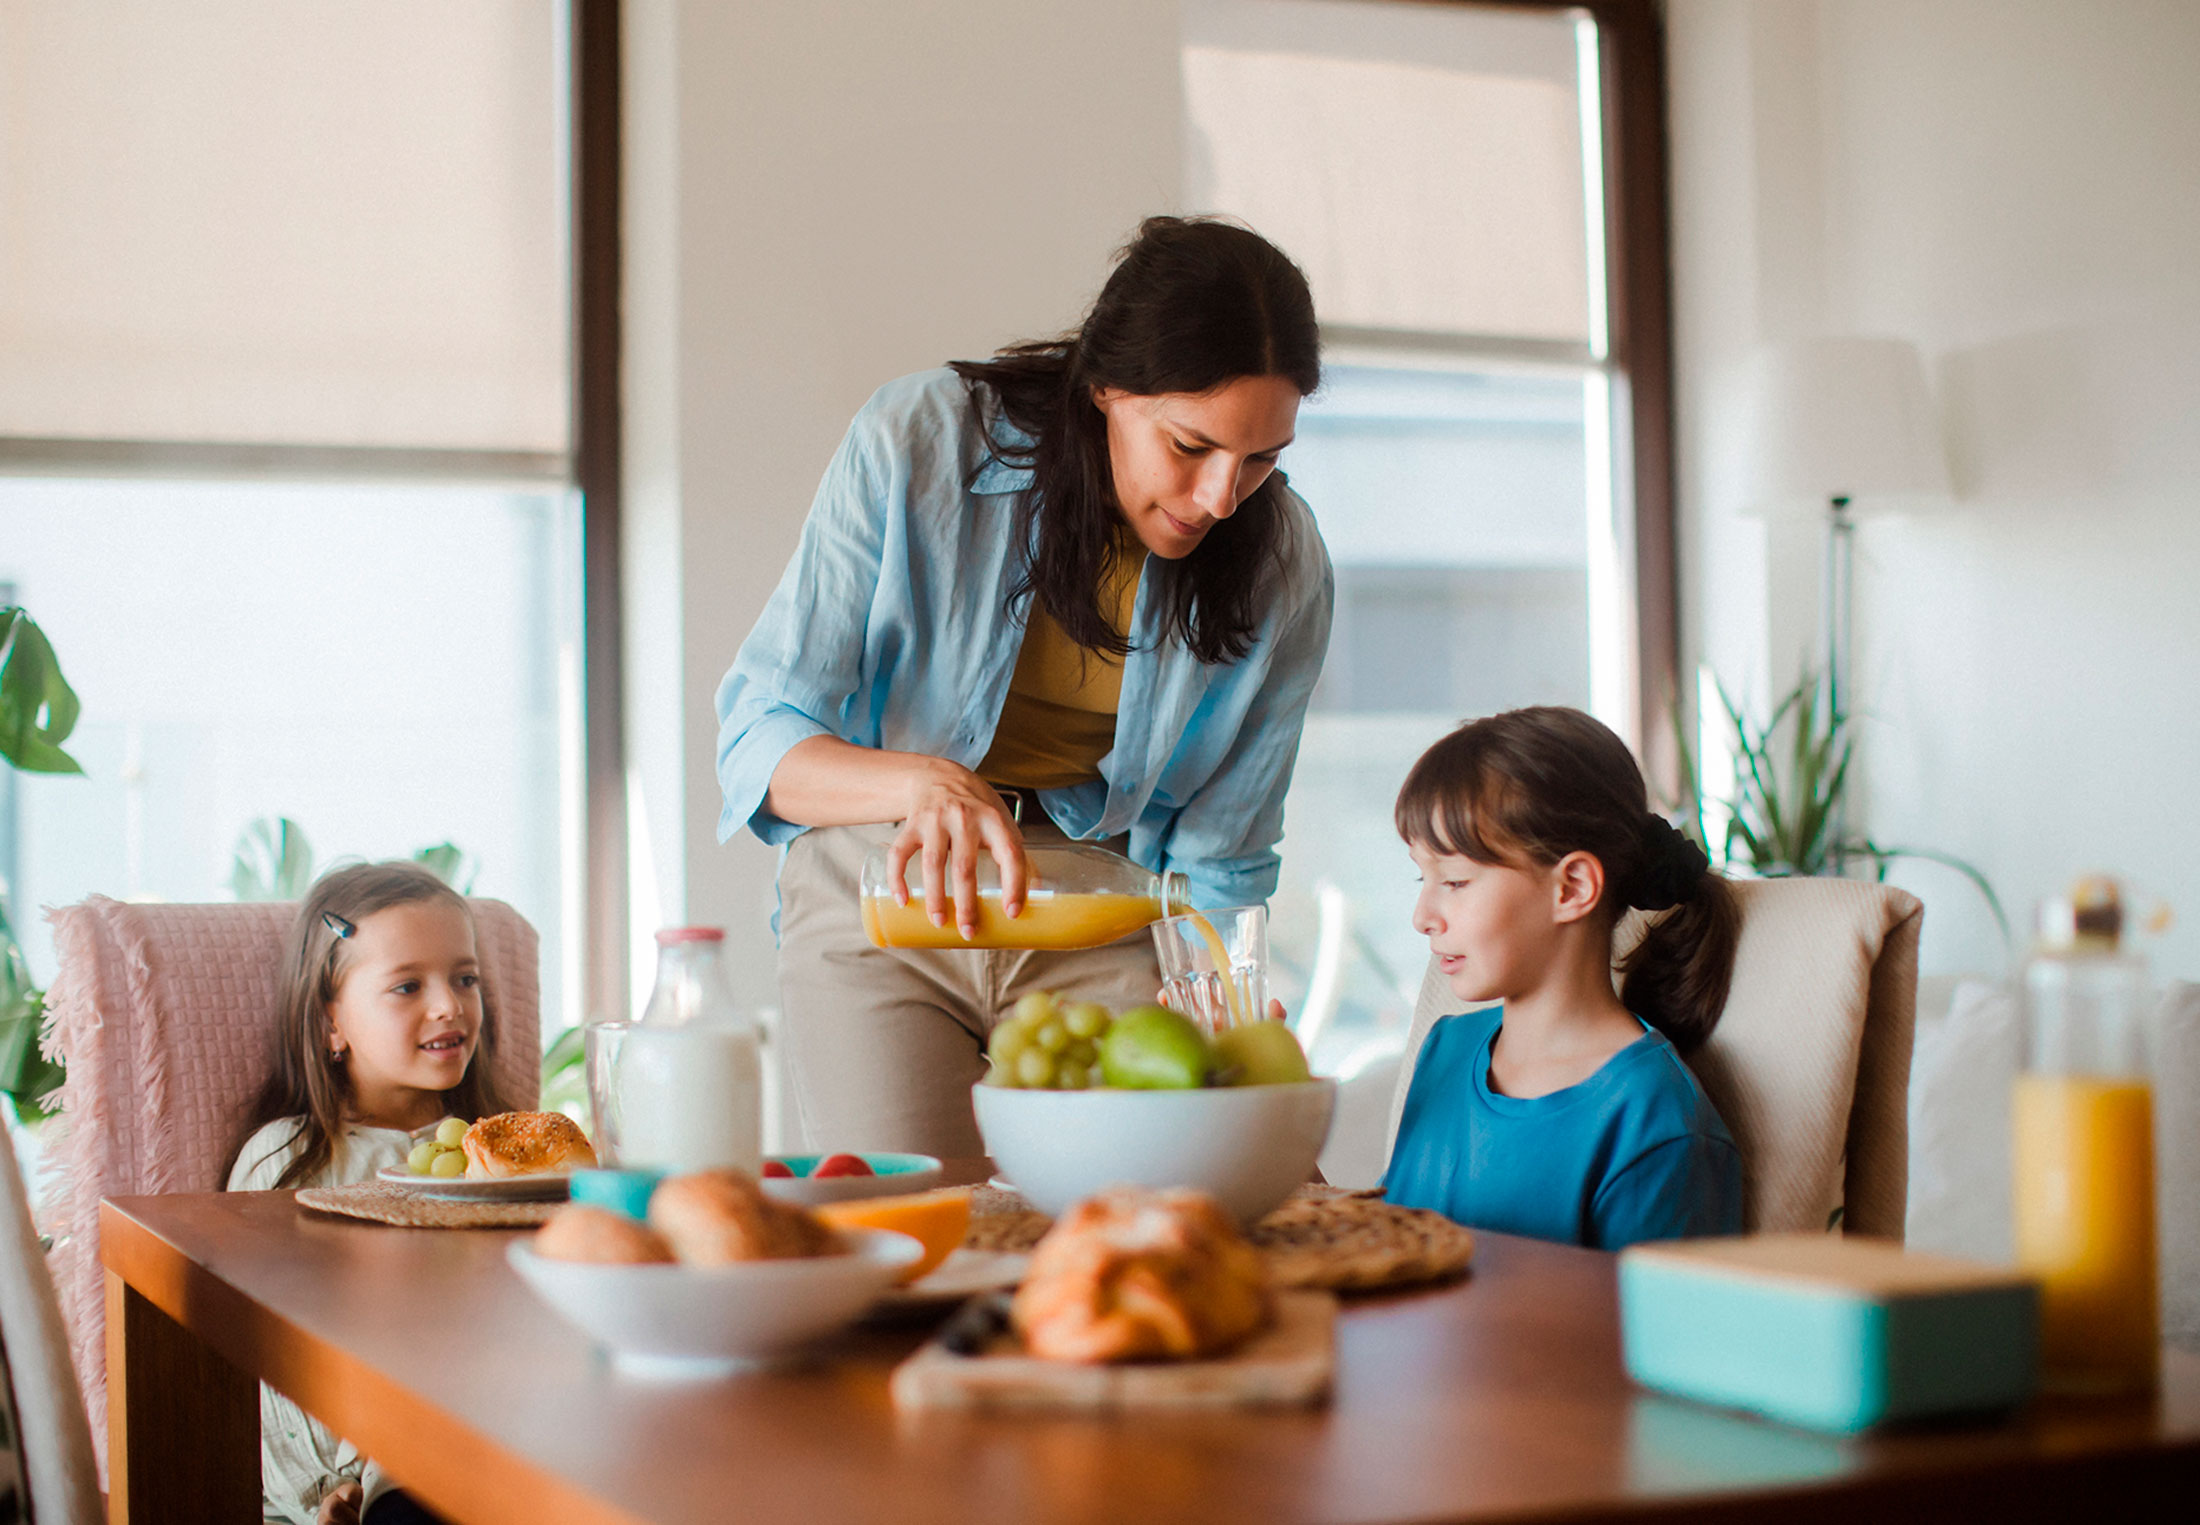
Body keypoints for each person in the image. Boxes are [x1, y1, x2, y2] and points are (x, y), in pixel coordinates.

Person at [715, 216, 1332, 1156]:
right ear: (1106, 391)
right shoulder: (917, 441)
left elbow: (1227, 848)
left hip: (1107, 912)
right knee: (915, 1233)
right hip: (883, 889)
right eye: (1191, 445)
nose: (1221, 497)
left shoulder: (1280, 560)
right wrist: (921, 781)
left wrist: (1227, 1011)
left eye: (1261, 460)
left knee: (1173, 1213)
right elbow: (757, 734)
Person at [1380, 707, 1745, 1250]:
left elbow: (1664, 1335)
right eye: (1422, 876)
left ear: (1571, 887)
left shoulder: (1658, 1128)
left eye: (1454, 880)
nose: (1422, 916)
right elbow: (1388, 1259)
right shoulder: (1446, 1049)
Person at [227, 862, 508, 1525]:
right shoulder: (289, 1161)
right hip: (363, 1485)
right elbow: (261, 1358)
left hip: (495, 1451)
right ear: (331, 1024)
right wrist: (322, 1486)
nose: (449, 1004)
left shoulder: (500, 1151)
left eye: (465, 978)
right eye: (407, 985)